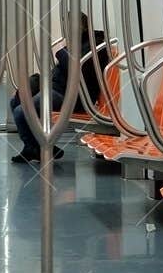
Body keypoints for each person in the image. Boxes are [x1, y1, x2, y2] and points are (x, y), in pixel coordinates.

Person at [11, 13, 108, 163]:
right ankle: (38, 147)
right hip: (58, 89)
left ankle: (36, 147)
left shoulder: (95, 46)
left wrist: (59, 50)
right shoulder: (77, 43)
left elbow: (76, 70)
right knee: (15, 101)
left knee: (21, 111)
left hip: (73, 97)